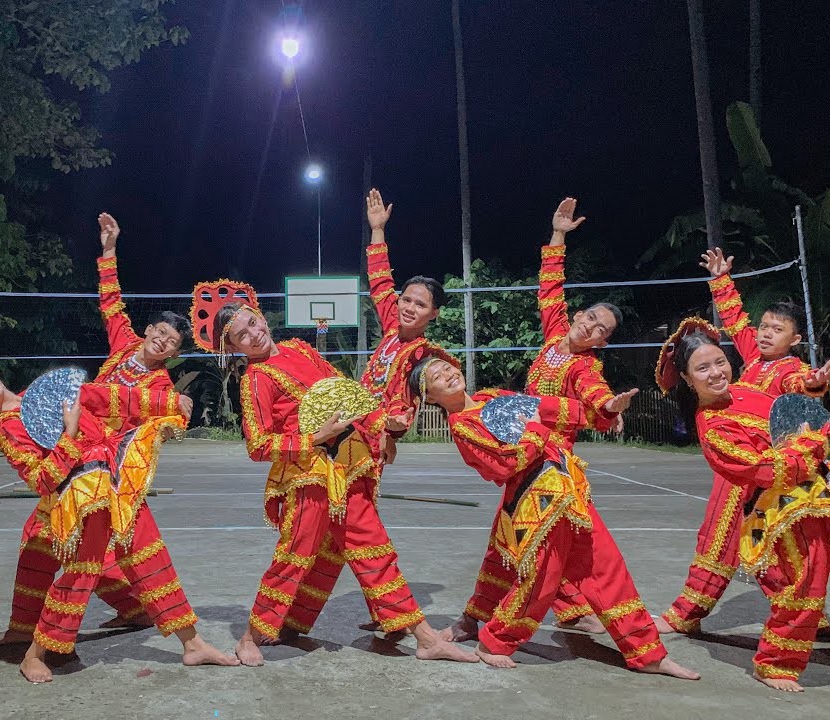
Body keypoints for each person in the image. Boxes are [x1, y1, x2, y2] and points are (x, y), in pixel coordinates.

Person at [192, 281, 477, 666]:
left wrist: (381, 430)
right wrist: (315, 437)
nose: (254, 334)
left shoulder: (298, 348)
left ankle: (425, 639)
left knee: (375, 551)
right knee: (294, 557)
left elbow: (348, 395)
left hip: (350, 469)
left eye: (253, 324)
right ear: (236, 348)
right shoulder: (256, 379)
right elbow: (258, 446)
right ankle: (249, 636)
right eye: (242, 336)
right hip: (309, 480)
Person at [657, 318, 830, 693]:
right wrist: (809, 446)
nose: (717, 372)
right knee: (803, 590)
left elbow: (797, 412)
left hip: (828, 501)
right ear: (688, 379)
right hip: (783, 516)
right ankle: (774, 665)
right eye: (703, 368)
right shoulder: (714, 427)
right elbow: (763, 469)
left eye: (719, 361)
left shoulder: (749, 390)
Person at [0, 363, 237, 681]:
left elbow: (109, 398)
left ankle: (193, 644)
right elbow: (42, 481)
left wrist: (167, 402)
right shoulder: (8, 432)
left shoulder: (51, 388)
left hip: (116, 477)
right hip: (81, 497)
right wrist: (69, 436)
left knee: (151, 558)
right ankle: (33, 653)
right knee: (81, 573)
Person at [414, 356, 699, 679]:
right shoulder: (462, 426)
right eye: (436, 377)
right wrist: (535, 429)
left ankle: (647, 652)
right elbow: (503, 466)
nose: (448, 374)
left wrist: (604, 411)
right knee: (540, 582)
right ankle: (494, 642)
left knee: (607, 567)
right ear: (430, 397)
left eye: (447, 367)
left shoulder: (490, 398)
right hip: (537, 504)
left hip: (568, 491)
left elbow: (549, 407)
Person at [0, 211, 190, 646]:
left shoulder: (161, 387)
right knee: (57, 541)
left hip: (107, 471)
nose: (162, 343)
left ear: (173, 355)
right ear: (148, 331)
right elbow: (111, 303)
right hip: (73, 448)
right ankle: (118, 613)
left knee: (79, 543)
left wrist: (167, 425)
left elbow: (169, 424)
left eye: (171, 344)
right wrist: (109, 250)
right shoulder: (122, 349)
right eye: (159, 333)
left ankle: (34, 634)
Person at [446, 197, 637, 640]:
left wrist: (610, 408)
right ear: (577, 317)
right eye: (590, 318)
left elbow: (597, 398)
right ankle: (493, 617)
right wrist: (557, 236)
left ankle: (490, 618)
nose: (590, 328)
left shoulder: (586, 367)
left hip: (555, 467)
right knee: (519, 537)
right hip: (524, 453)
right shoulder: (554, 339)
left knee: (553, 538)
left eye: (601, 330)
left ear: (602, 344)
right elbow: (549, 289)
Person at [280, 188, 461, 635]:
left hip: (366, 443)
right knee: (339, 530)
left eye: (420, 304)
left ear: (433, 314)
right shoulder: (390, 329)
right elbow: (380, 281)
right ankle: (382, 616)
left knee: (349, 527)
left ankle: (320, 616)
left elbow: (420, 389)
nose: (408, 306)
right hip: (344, 433)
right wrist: (378, 230)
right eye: (407, 299)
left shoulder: (422, 352)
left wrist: (398, 428)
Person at [657, 248, 830, 634]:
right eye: (765, 326)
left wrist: (815, 384)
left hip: (770, 475)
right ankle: (687, 613)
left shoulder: (788, 370)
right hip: (737, 468)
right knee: (727, 542)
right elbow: (736, 322)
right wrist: (720, 280)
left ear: (794, 340)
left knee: (771, 544)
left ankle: (806, 614)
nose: (765, 333)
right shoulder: (751, 360)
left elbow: (801, 385)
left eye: (777, 330)